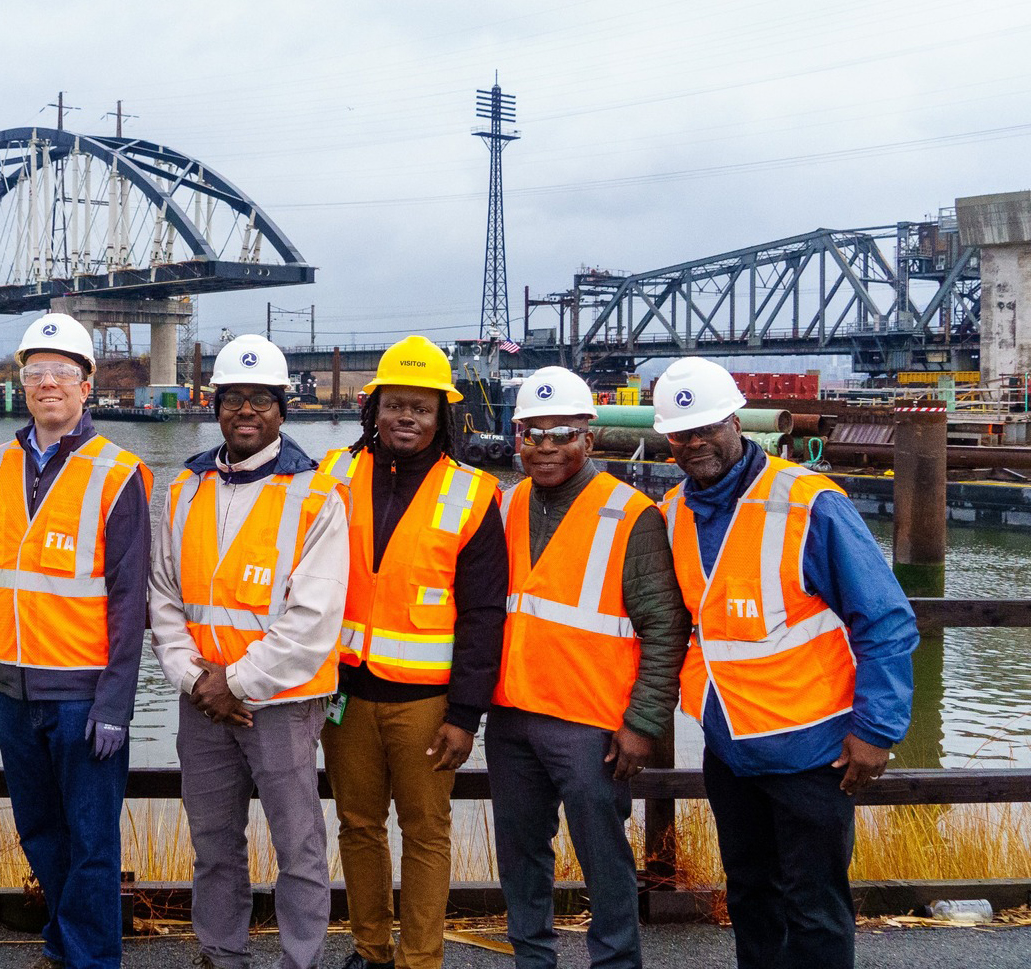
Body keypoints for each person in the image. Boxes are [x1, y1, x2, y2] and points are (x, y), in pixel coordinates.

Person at [651, 357, 916, 969]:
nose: (697, 444)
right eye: (682, 433)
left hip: (813, 753)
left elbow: (885, 618)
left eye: (709, 427)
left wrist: (875, 731)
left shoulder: (808, 504)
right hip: (732, 750)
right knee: (750, 896)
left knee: (815, 907)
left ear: (737, 420)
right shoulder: (672, 515)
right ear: (668, 438)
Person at [149, 334, 349, 969]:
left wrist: (233, 682)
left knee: (299, 847)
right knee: (213, 842)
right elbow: (165, 595)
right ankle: (220, 953)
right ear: (215, 405)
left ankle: (300, 960)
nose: (245, 411)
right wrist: (192, 679)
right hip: (203, 702)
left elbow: (312, 619)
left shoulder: (318, 495)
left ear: (282, 409)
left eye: (260, 400)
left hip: (283, 704)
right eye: (233, 398)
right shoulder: (185, 487)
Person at [0, 312, 152, 969]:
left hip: (82, 694)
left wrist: (115, 704)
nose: (47, 383)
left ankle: (92, 958)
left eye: (62, 372)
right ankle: (61, 944)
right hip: (13, 691)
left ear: (86, 383)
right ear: (20, 380)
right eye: (35, 370)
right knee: (40, 832)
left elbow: (131, 600)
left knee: (92, 838)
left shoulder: (118, 472)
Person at [317, 335, 508, 969]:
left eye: (421, 408)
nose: (407, 417)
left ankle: (419, 959)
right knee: (358, 827)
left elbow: (483, 617)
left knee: (426, 834)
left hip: (427, 705)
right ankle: (369, 950)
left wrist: (465, 716)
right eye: (395, 404)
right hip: (346, 695)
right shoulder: (332, 475)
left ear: (441, 416)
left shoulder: (474, 493)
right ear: (373, 409)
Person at [490, 367, 690, 969]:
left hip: (592, 727)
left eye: (561, 435)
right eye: (534, 435)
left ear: (589, 436)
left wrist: (643, 724)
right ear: (518, 436)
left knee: (604, 859)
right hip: (512, 717)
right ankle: (533, 960)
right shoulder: (506, 504)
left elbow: (665, 629)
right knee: (521, 855)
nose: (546, 447)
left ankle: (616, 962)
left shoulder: (633, 515)